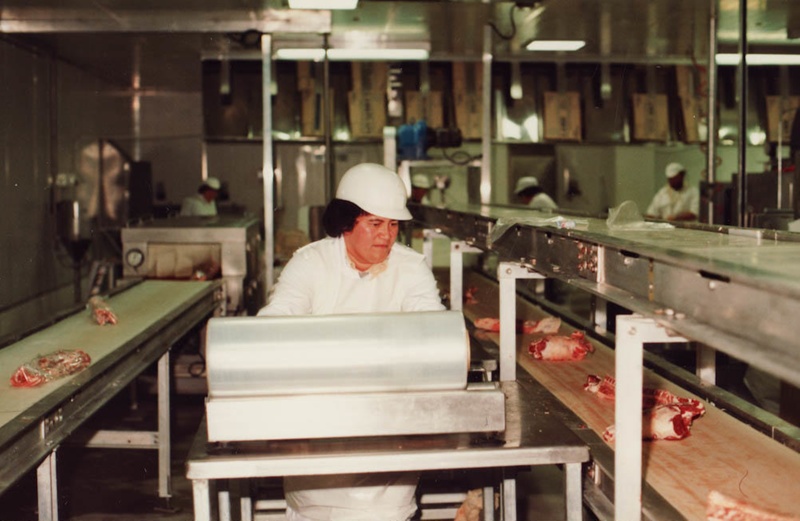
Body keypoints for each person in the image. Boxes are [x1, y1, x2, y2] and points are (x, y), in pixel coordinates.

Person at [257, 162, 445, 520]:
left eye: (393, 225)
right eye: (375, 223)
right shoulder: (311, 263)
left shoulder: (410, 267)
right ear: (346, 222)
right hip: (317, 428)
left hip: (390, 425)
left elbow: (433, 329)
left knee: (388, 513)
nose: (386, 235)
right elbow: (277, 322)